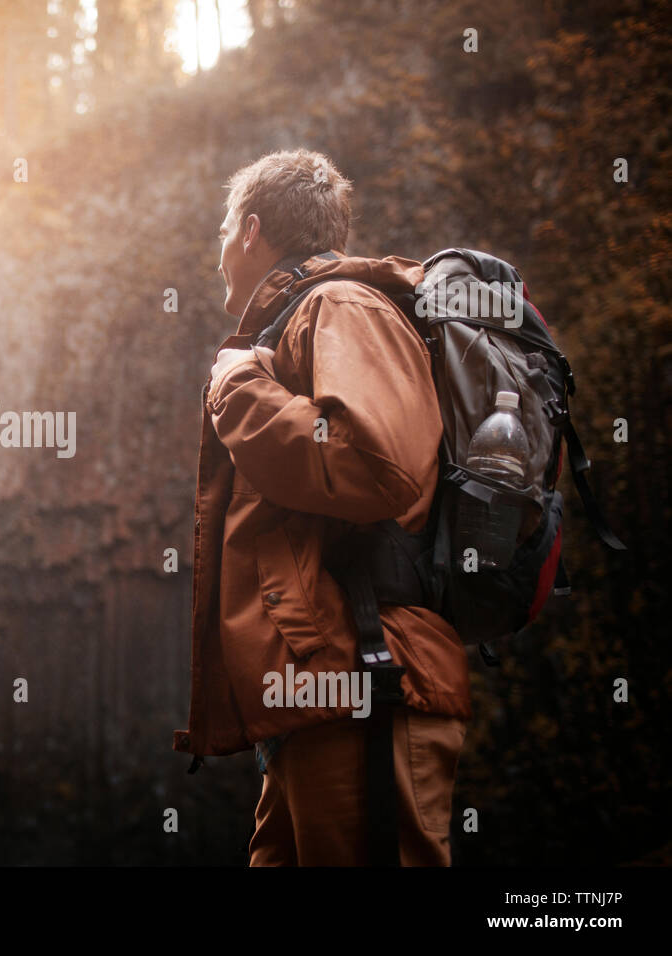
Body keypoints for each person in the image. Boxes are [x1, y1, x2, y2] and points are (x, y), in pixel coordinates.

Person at [172, 148, 472, 866]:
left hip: (370, 682)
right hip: (323, 699)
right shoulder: (303, 320)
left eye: (221, 235)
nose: (218, 257)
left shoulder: (341, 304)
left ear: (250, 232)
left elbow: (376, 466)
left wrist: (237, 387)